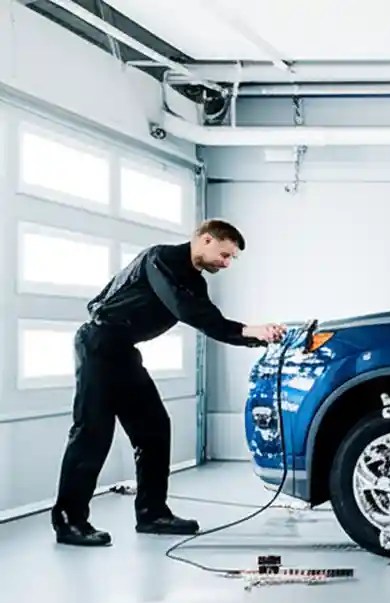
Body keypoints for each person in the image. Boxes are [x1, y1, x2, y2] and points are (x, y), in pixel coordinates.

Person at [51, 219, 286, 547]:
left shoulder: (196, 283)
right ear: (205, 240)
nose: (226, 263)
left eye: (231, 258)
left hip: (123, 351)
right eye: (224, 254)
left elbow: (211, 323)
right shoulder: (159, 259)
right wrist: (249, 329)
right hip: (99, 343)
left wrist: (256, 336)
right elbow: (184, 309)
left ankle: (152, 513)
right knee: (92, 432)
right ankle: (69, 521)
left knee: (154, 428)